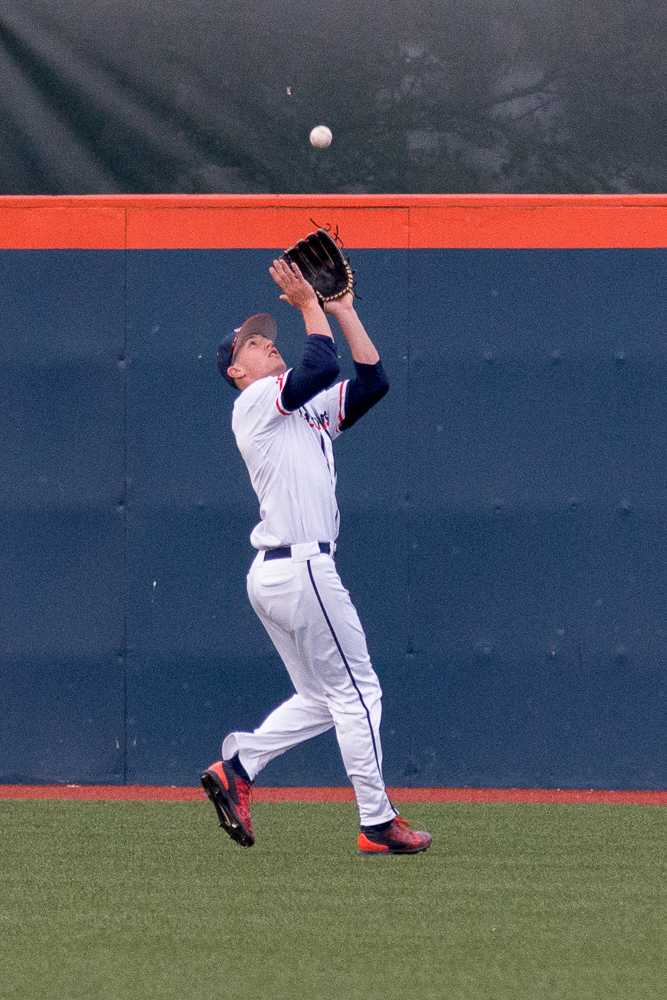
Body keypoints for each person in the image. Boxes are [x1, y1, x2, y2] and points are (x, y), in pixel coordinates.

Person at [201, 257, 432, 856]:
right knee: (360, 693)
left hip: (282, 573)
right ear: (236, 369)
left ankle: (239, 765)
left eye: (267, 340)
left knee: (323, 699)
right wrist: (307, 305)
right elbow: (320, 362)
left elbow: (372, 381)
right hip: (301, 568)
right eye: (254, 344)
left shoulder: (300, 409)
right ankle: (377, 821)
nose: (266, 346)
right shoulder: (253, 403)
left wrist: (342, 310)